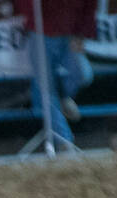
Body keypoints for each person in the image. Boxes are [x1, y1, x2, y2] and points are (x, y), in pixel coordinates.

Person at [14, 0, 96, 146]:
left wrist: (82, 34)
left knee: (83, 74)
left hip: (70, 33)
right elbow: (25, 6)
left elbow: (89, 6)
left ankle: (64, 97)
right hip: (41, 32)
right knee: (45, 88)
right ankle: (64, 142)